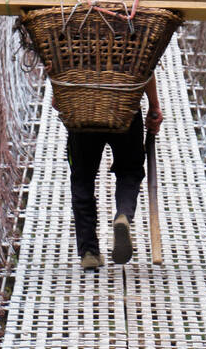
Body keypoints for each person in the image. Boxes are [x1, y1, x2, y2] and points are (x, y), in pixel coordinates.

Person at [68, 73, 163, 270]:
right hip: (125, 105)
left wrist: (58, 94)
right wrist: (154, 104)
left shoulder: (72, 40)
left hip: (81, 106)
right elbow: (147, 65)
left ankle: (89, 252)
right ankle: (123, 216)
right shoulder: (132, 40)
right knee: (130, 169)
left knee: (82, 177)